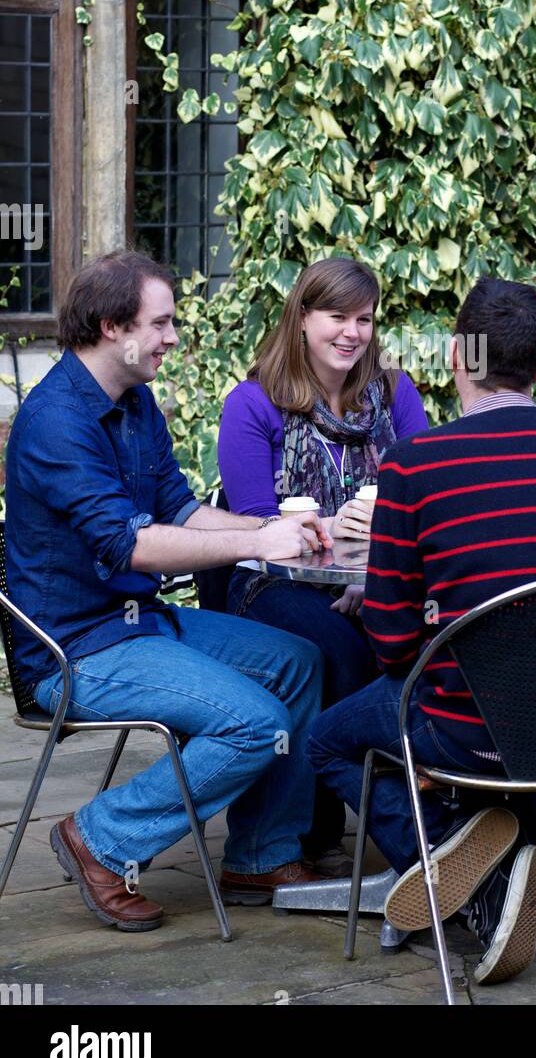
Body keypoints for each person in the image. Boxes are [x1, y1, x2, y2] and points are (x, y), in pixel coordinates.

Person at [304, 277, 536, 984]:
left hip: (472, 730)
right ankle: (498, 849)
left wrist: (381, 599)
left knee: (325, 739)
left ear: (457, 356)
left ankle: (470, 869)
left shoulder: (415, 465)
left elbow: (395, 646)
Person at [4, 251, 333, 933]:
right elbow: (131, 544)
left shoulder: (135, 403)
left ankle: (261, 854)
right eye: (162, 323)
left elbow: (179, 511)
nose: (174, 337)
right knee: (253, 723)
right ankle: (101, 839)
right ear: (109, 326)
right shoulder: (55, 421)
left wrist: (284, 527)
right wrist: (256, 543)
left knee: (299, 661)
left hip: (138, 621)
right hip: (74, 651)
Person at [218, 256, 428, 872]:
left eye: (363, 319)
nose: (351, 332)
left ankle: (440, 799)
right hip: (269, 583)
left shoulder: (395, 391)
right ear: (303, 318)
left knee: (437, 633)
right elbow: (259, 527)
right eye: (336, 316)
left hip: (378, 580)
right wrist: (332, 531)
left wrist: (373, 575)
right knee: (343, 646)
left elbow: (425, 501)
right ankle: (379, 821)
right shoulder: (254, 404)